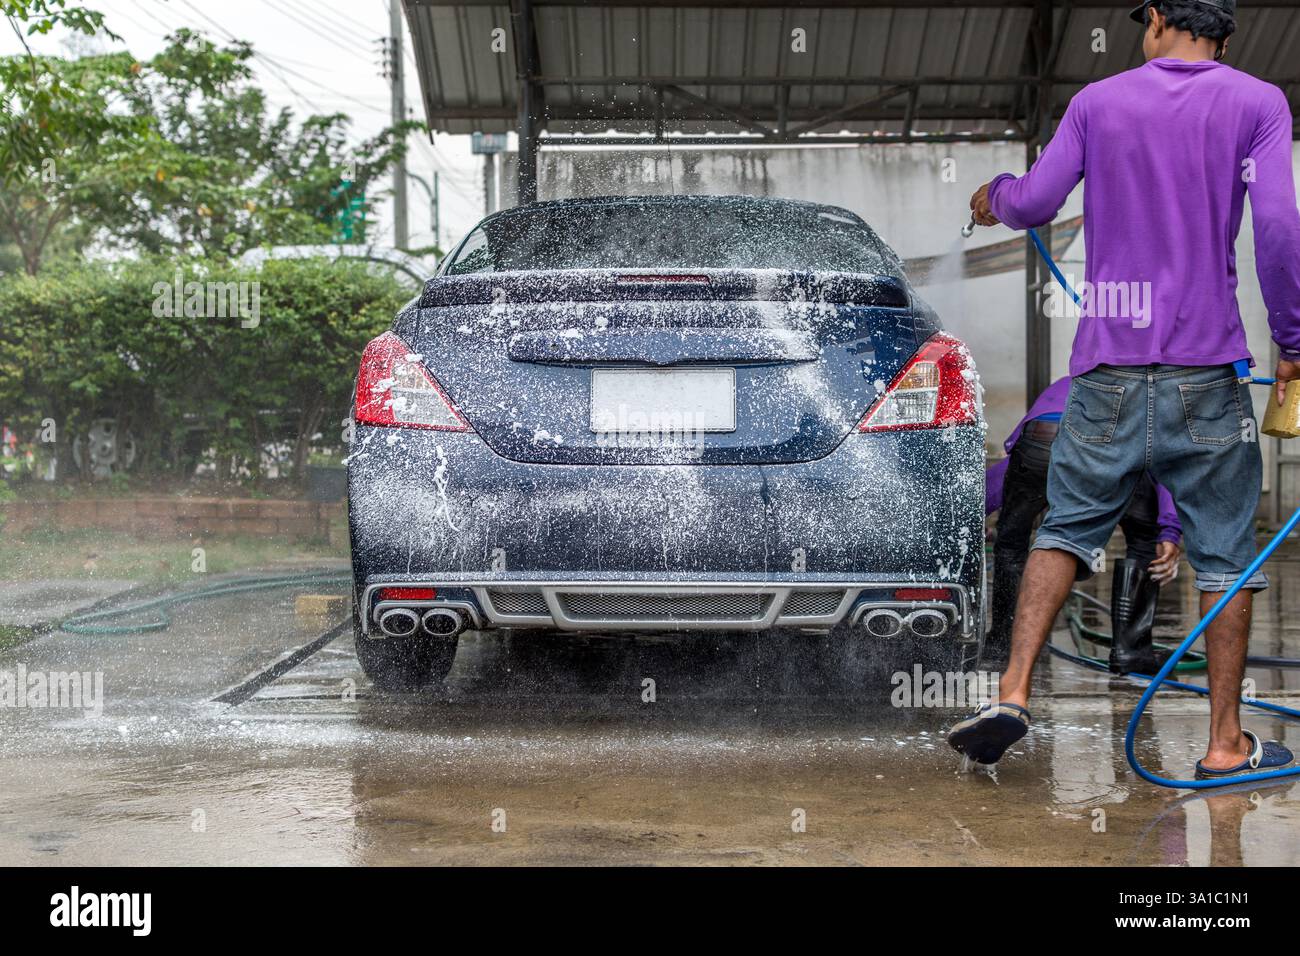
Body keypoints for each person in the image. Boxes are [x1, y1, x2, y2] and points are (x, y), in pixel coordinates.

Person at [949, 0, 1300, 778]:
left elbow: (1034, 202)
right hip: (1206, 377)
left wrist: (997, 191)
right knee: (1224, 559)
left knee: (1065, 531)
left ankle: (1011, 693)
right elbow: (1277, 226)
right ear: (1224, 31)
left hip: (1104, 375)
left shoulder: (1096, 102)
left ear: (1157, 19)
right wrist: (1295, 340)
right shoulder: (1258, 103)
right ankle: (1222, 745)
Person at [986, 376, 1183, 673]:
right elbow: (1169, 469)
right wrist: (1170, 530)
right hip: (1109, 440)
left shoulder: (1071, 381)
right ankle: (1131, 653)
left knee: (1012, 542)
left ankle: (1001, 648)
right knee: (1144, 540)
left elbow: (1012, 461)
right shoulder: (1154, 391)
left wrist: (967, 514)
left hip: (1040, 436)